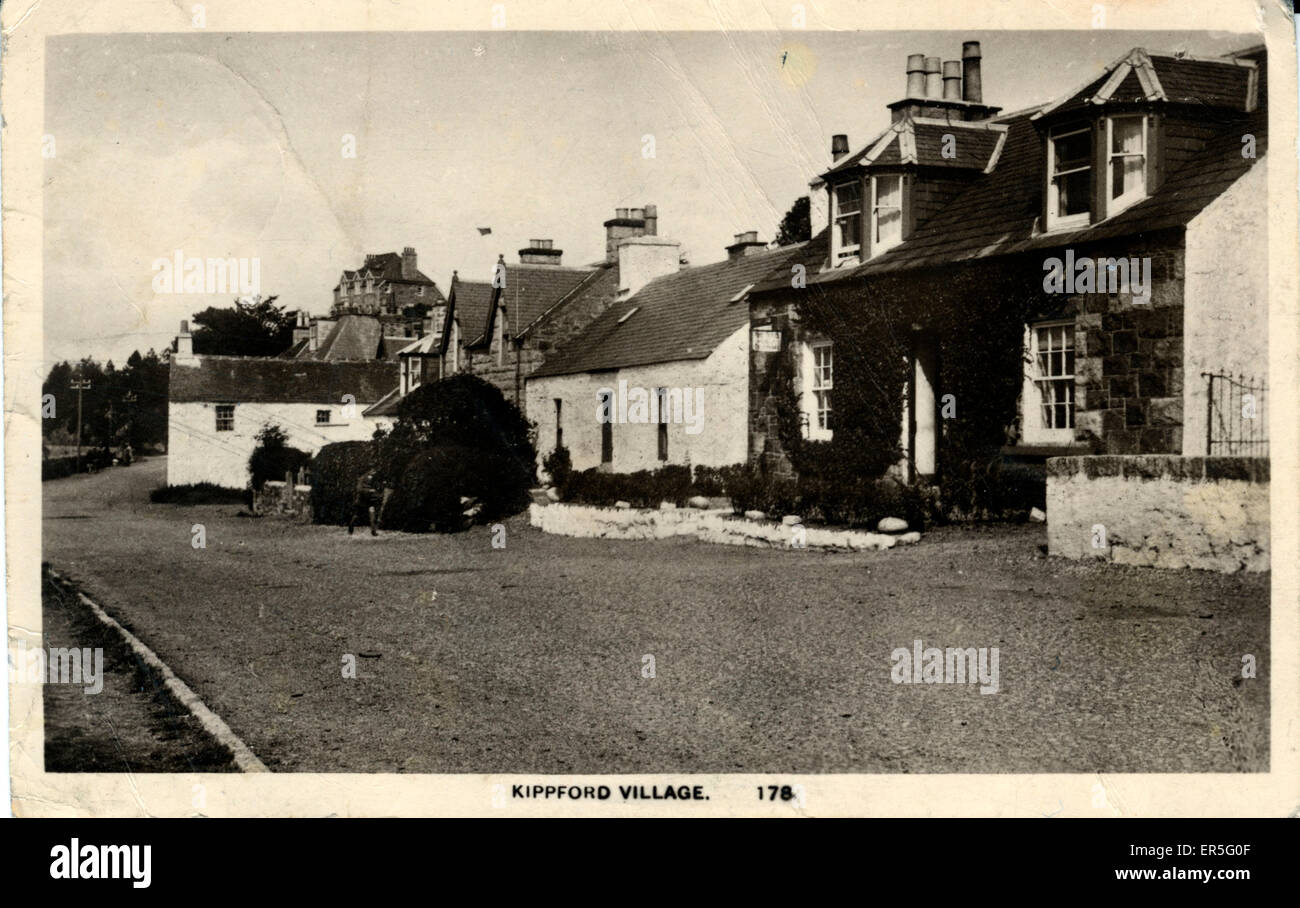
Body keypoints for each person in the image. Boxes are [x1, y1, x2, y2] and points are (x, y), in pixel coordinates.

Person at [348, 469, 381, 536]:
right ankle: (350, 528)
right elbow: (359, 489)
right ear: (369, 471)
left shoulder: (373, 478)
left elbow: (375, 488)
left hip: (370, 500)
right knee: (356, 516)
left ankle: (373, 531)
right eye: (373, 471)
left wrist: (375, 493)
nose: (374, 473)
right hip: (361, 501)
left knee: (372, 515)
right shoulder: (362, 478)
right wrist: (369, 491)